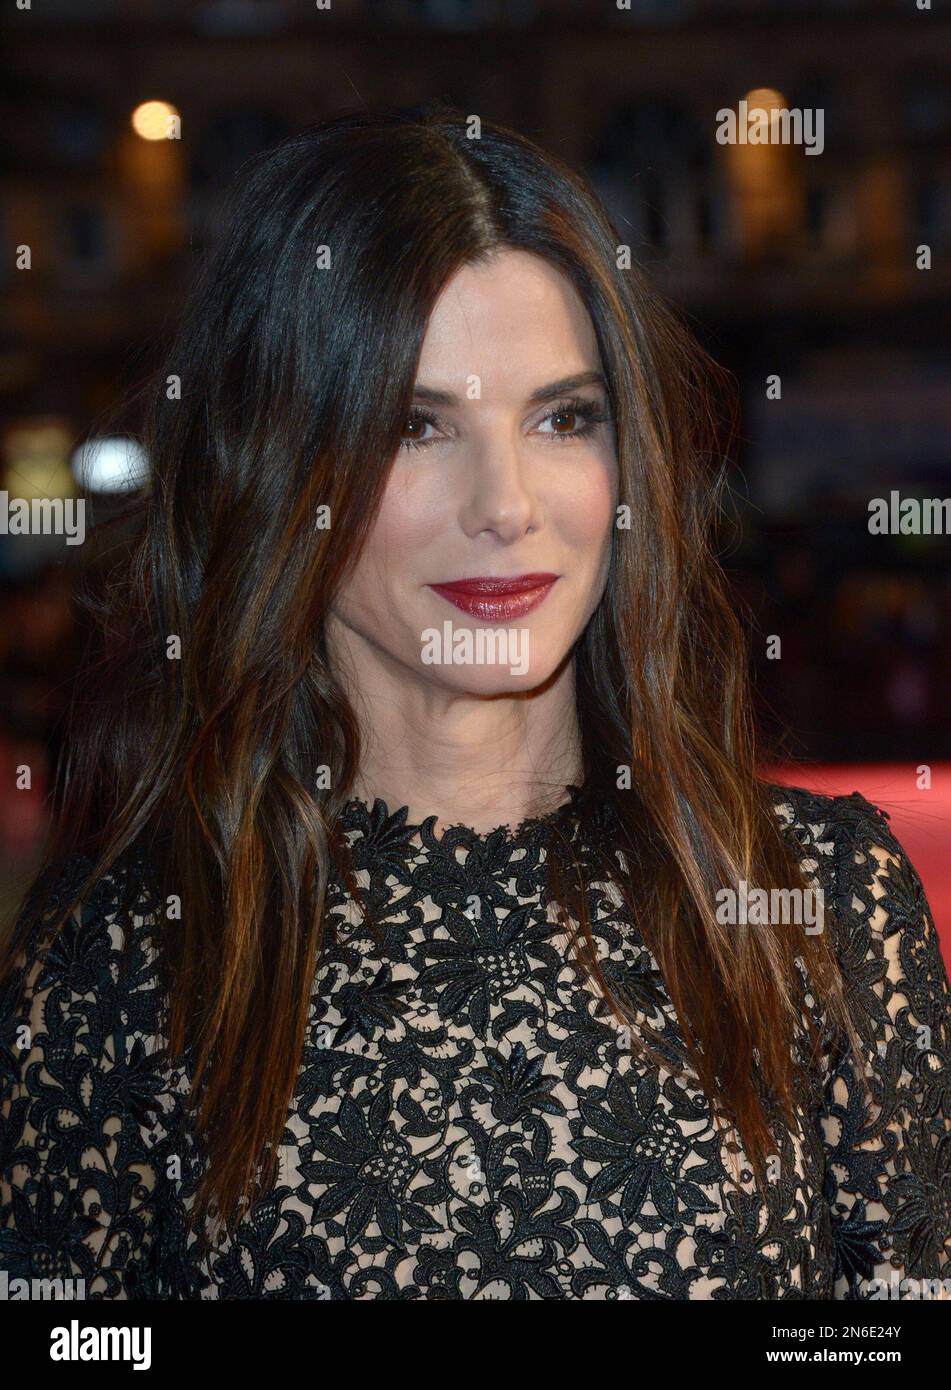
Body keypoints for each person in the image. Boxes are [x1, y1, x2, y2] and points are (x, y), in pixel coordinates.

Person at [1, 102, 949, 1301]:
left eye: (563, 418)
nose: (507, 501)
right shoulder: (119, 956)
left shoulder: (826, 903)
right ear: (286, 475)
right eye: (414, 425)